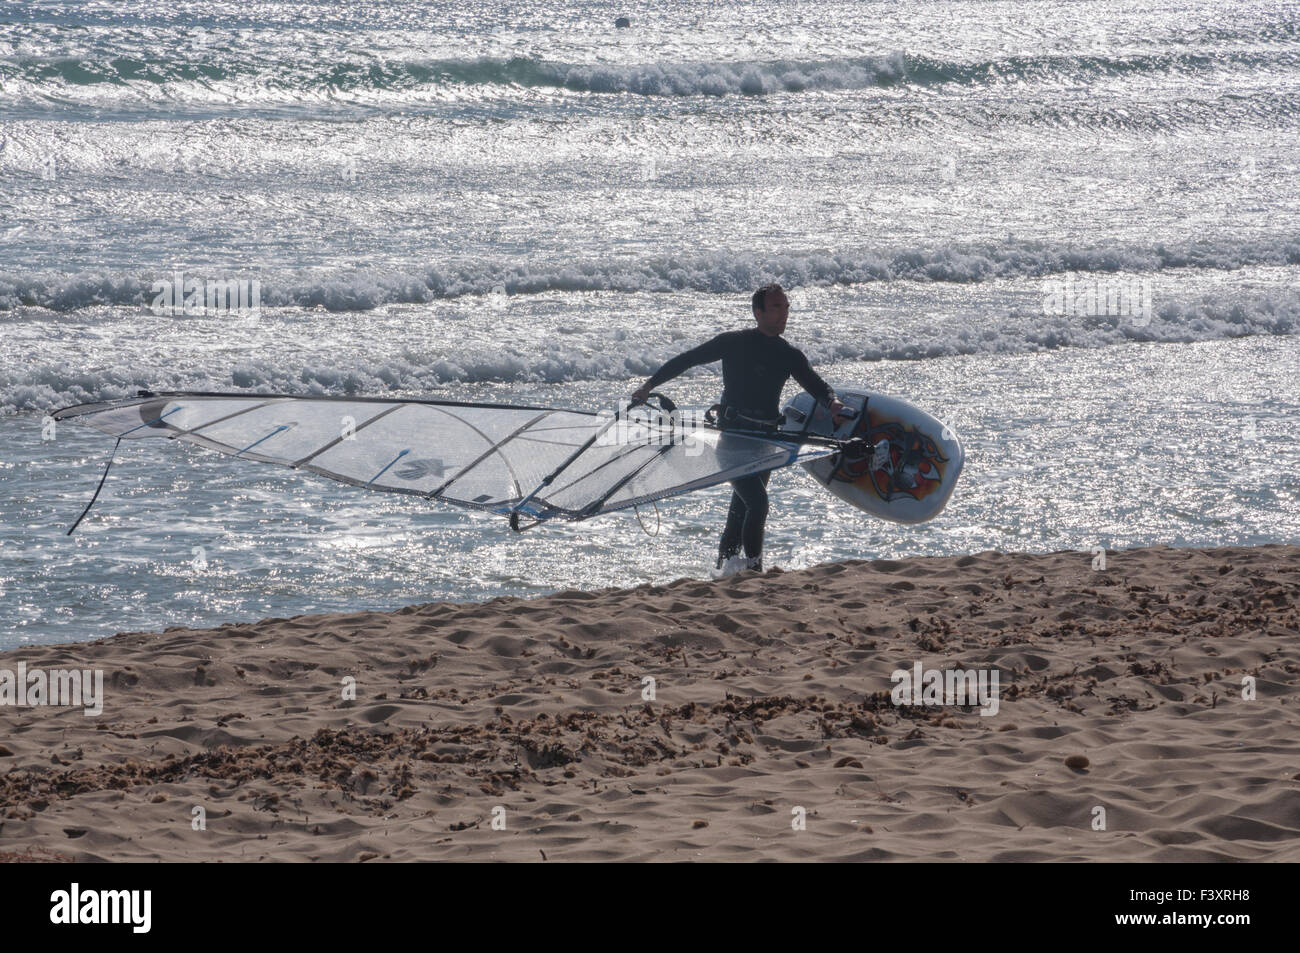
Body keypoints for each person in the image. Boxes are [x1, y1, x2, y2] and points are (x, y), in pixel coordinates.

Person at [631, 283, 849, 576]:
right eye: (776, 307)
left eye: (786, 307)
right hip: (734, 437)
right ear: (758, 312)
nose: (784, 313)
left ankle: (724, 570)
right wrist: (649, 385)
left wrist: (833, 403)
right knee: (757, 504)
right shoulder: (734, 342)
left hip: (767, 439)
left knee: (740, 511)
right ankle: (754, 571)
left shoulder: (789, 354)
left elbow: (816, 385)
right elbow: (688, 359)